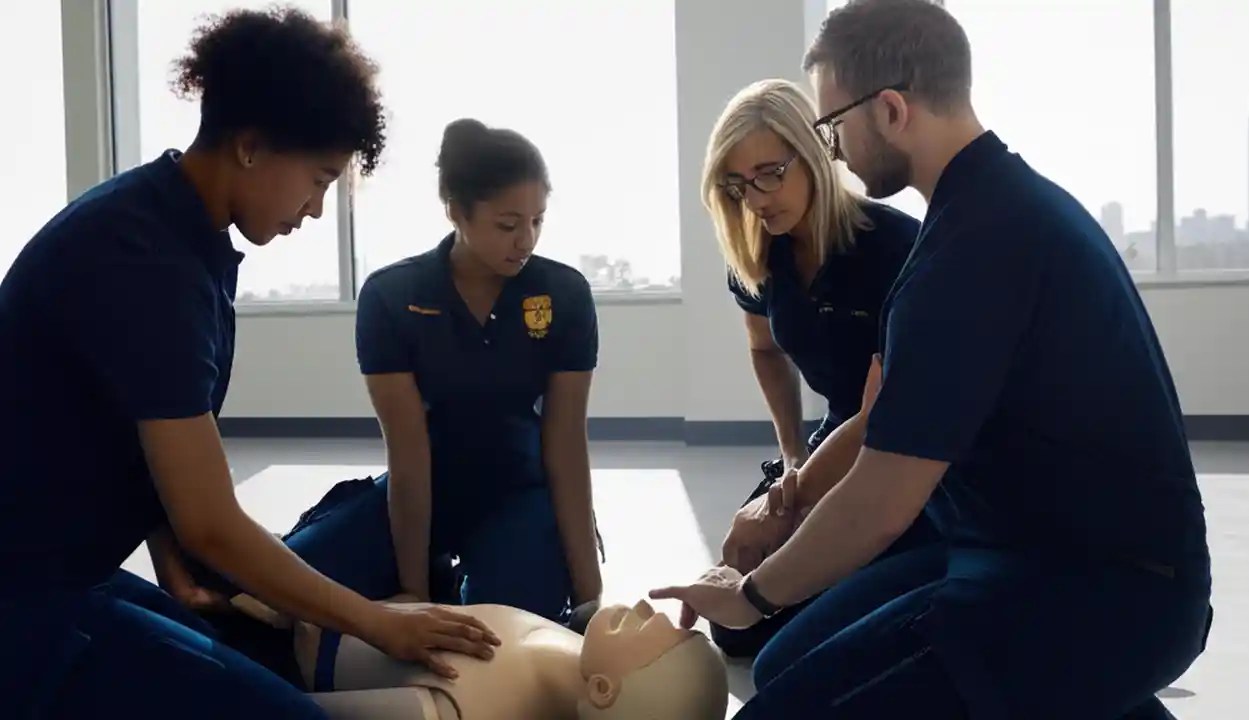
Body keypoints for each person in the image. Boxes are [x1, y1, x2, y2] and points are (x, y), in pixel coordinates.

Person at [653, 2, 1213, 719]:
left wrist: (748, 592)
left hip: (1096, 590)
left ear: (888, 110)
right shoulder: (995, 207)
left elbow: (883, 501)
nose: (835, 147)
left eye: (832, 126)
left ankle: (1098, 682)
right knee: (786, 658)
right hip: (1015, 550)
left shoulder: (968, 250)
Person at [0, 8, 499, 718]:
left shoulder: (168, 225)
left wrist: (163, 537)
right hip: (27, 600)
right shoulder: (147, 260)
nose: (317, 211)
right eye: (319, 180)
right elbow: (211, 520)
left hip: (65, 569)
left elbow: (120, 416)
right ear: (251, 147)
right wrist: (375, 618)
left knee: (243, 650)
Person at [278, 119, 603, 628]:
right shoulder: (392, 296)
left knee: (501, 634)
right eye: (507, 223)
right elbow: (407, 452)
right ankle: (430, 574)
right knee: (276, 594)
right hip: (421, 487)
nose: (526, 240)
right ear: (456, 210)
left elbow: (565, 443)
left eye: (537, 220)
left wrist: (590, 600)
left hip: (519, 491)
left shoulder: (564, 295)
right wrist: (414, 590)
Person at [701, 78, 940, 659]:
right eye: (737, 186)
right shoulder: (758, 256)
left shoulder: (894, 246)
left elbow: (885, 413)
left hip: (905, 455)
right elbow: (764, 349)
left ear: (813, 154)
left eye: (769, 174)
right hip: (833, 440)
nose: (755, 199)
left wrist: (788, 499)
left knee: (807, 627)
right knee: (734, 628)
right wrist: (791, 458)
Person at [284, 597, 728, 720]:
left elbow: (293, 711)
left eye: (648, 628)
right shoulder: (578, 651)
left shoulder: (472, 709)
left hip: (297, 639)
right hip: (337, 607)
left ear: (602, 689)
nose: (649, 609)